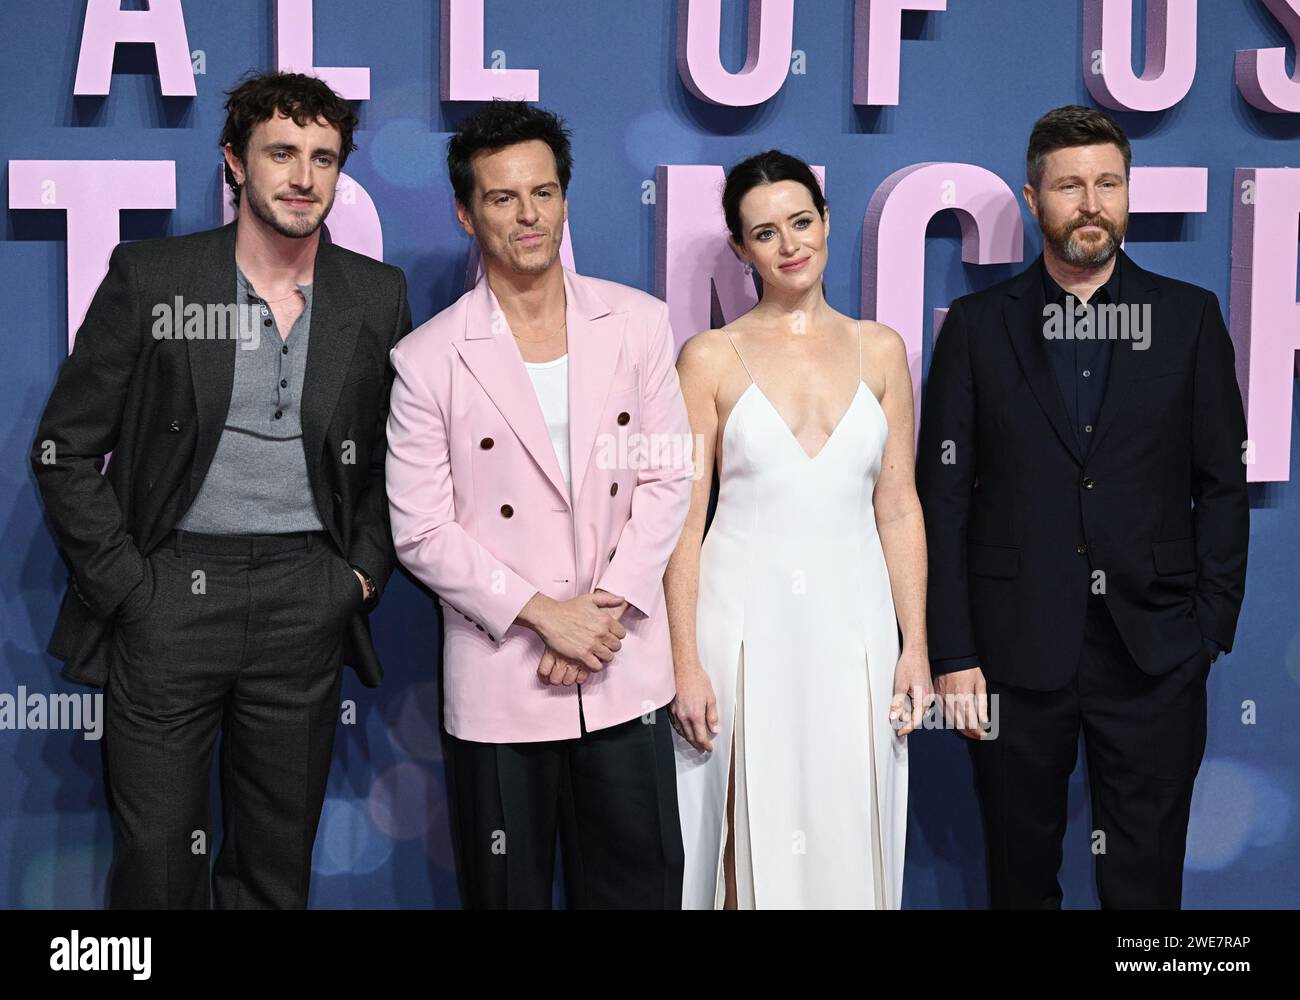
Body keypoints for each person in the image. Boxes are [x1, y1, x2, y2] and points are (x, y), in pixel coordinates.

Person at [29, 71, 412, 908]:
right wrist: (132, 588)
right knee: (157, 867)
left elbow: (397, 459)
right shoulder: (155, 278)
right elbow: (62, 450)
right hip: (170, 596)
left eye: (322, 157)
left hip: (304, 597)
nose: (303, 176)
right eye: (281, 153)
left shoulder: (374, 297)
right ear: (235, 162)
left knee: (274, 873)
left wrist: (354, 578)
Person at [917, 105, 1249, 909]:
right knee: (1019, 874)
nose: (1091, 202)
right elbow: (945, 496)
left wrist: (1208, 629)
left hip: (1157, 649)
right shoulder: (976, 327)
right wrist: (953, 654)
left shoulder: (1189, 318)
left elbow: (1223, 485)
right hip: (1011, 654)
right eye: (1070, 185)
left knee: (1146, 881)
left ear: (1129, 193)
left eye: (1108, 183)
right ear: (1034, 200)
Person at [385, 101, 693, 909]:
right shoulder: (427, 360)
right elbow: (420, 530)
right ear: (465, 211)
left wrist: (603, 612)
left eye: (544, 194)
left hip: (623, 669)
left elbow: (668, 479)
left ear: (564, 199)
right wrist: (542, 615)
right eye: (501, 198)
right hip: (502, 683)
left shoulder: (639, 323)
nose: (528, 216)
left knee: (642, 892)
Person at [667, 150, 931, 909]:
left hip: (856, 627)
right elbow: (685, 524)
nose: (789, 244)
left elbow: (900, 505)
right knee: (736, 831)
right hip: (741, 625)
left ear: (825, 221)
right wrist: (685, 662)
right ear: (741, 248)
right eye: (765, 232)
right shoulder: (708, 358)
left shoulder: (881, 349)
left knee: (854, 818)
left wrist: (915, 644)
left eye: (801, 222)